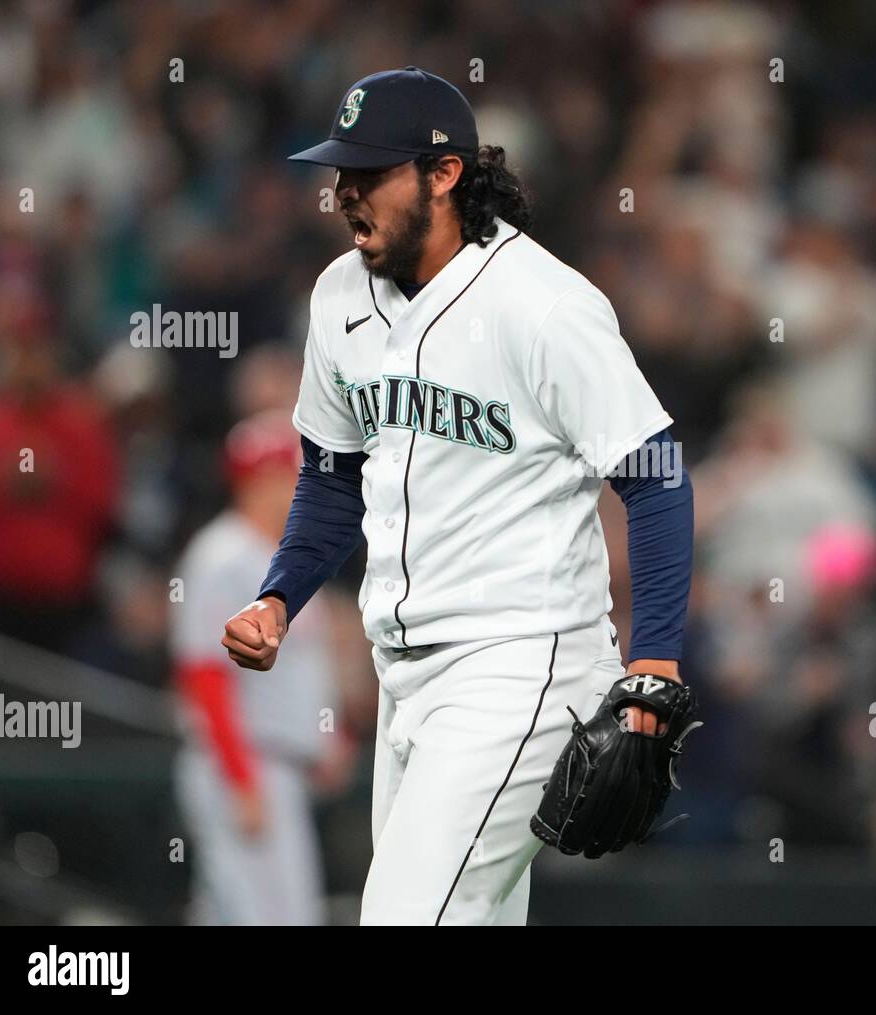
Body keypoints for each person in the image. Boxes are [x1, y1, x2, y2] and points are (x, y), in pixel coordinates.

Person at [220, 67, 694, 925]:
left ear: (445, 175)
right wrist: (281, 596)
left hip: (520, 663)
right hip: (403, 673)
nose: (345, 193)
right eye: (340, 174)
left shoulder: (541, 304)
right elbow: (334, 473)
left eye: (370, 174)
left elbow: (654, 472)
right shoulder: (338, 296)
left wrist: (653, 660)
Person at [174, 412, 345, 925]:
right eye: (290, 478)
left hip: (276, 764)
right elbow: (203, 676)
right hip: (246, 762)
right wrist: (242, 779)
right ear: (258, 480)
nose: (300, 491)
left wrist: (326, 740)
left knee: (231, 915)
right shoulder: (222, 555)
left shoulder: (282, 559)